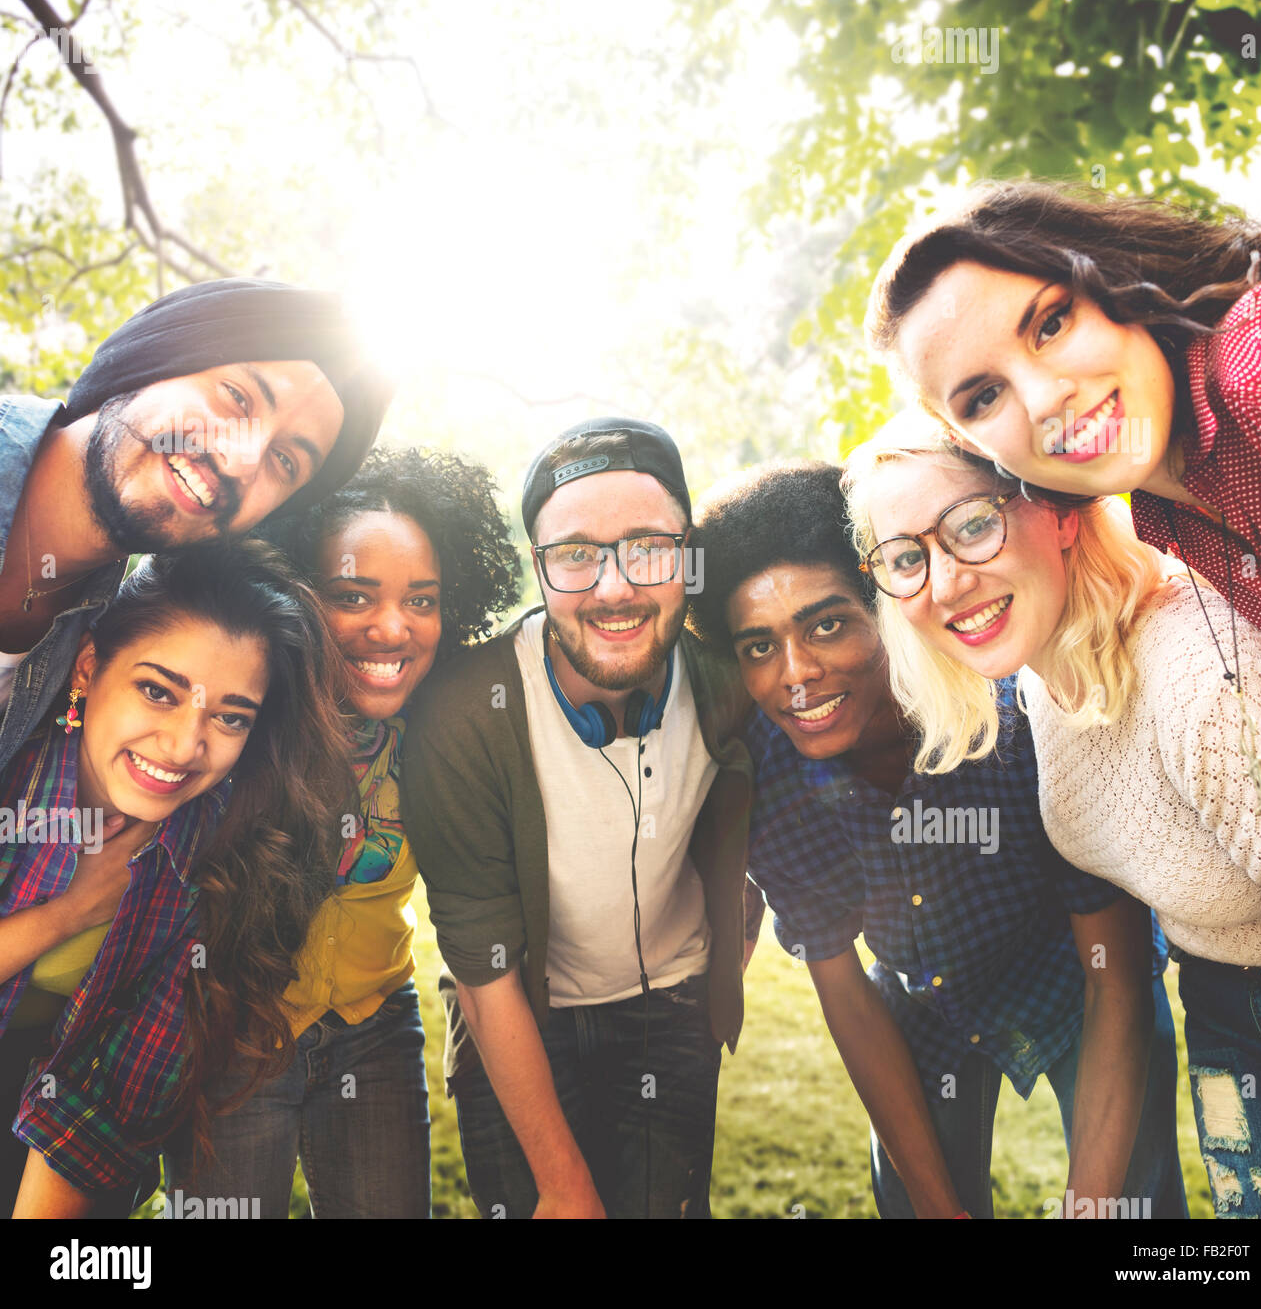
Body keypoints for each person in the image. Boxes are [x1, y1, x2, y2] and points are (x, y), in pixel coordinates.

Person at [689, 459, 1185, 1221]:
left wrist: (1088, 1203)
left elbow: (1112, 975)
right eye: (759, 646)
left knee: (1133, 1209)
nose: (797, 675)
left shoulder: (1017, 718)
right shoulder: (770, 777)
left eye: (826, 625)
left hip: (1079, 983)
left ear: (885, 607)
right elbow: (845, 993)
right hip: (924, 998)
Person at [844, 410, 1261, 1219]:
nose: (945, 583)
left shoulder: (1201, 680)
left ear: (1056, 507)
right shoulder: (1038, 685)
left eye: (973, 526)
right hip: (1228, 1010)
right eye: (907, 558)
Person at [402, 417, 753, 1219]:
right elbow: (486, 977)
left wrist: (738, 924)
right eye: (575, 555)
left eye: (649, 548)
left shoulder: (731, 677)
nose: (615, 587)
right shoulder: (464, 714)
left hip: (672, 1009)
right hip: (520, 1013)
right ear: (538, 568)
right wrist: (564, 1188)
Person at [162, 447, 521, 1218]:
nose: (393, 628)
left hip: (375, 1028)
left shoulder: (442, 725)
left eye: (422, 601)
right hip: (234, 1028)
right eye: (353, 596)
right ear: (296, 594)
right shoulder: (244, 716)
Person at [0, 540, 354, 1217]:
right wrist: (68, 912)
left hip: (64, 1136)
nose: (187, 746)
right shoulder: (14, 772)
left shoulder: (224, 849)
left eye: (229, 717)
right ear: (86, 670)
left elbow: (111, 1094)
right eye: (157, 692)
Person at [865, 179, 1261, 660]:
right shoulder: (1167, 513)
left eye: (1050, 325)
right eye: (986, 396)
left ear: (1114, 280)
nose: (1045, 402)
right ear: (970, 443)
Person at [0, 276, 393, 775]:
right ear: (150, 359)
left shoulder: (96, 630)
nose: (241, 461)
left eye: (284, 461)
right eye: (237, 397)